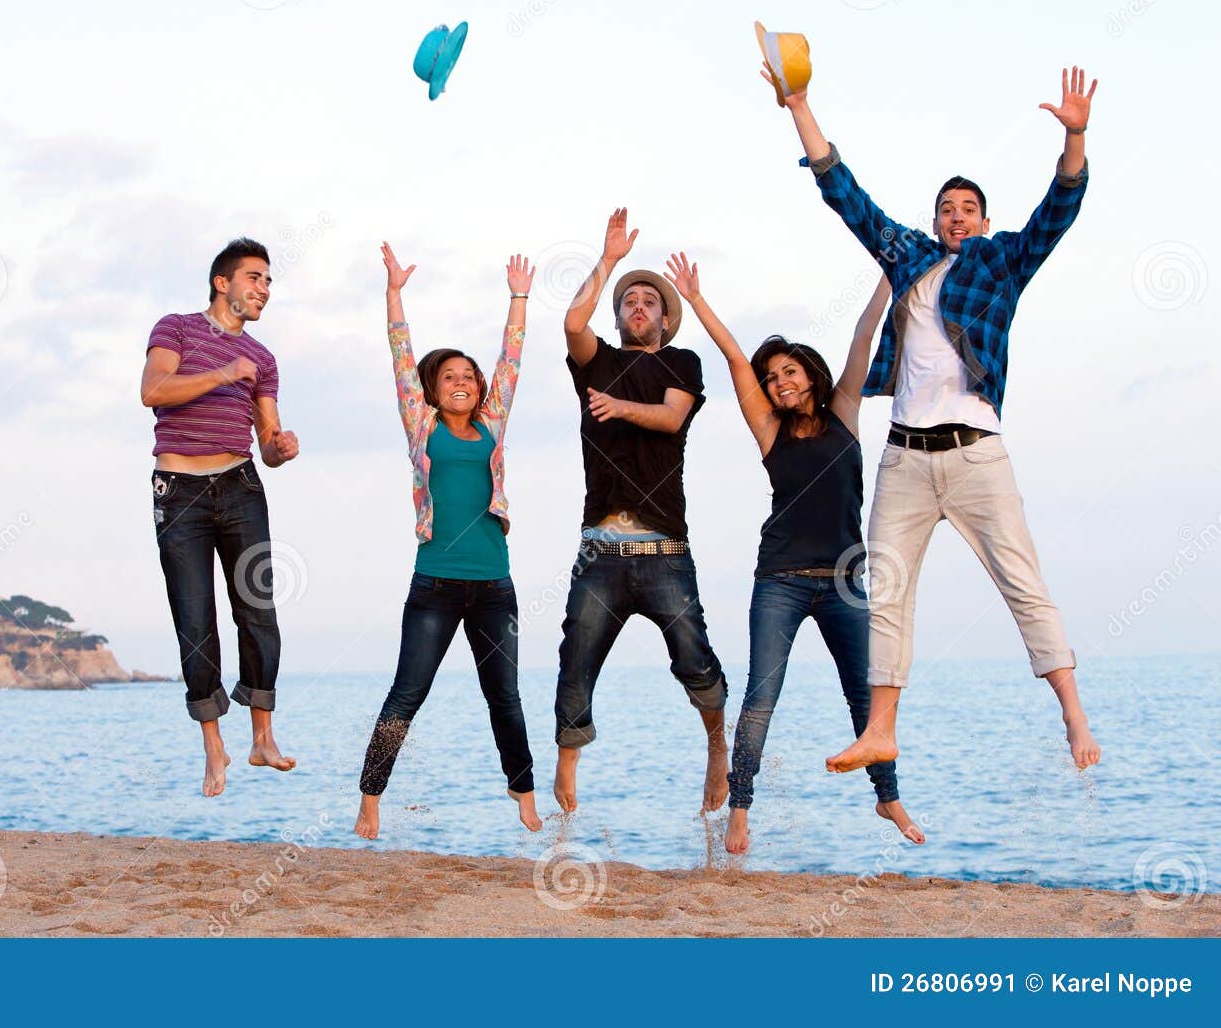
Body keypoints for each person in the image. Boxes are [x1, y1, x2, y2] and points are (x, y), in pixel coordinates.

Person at [767, 57, 1103, 773]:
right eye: (946, 208)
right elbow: (843, 193)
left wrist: (1073, 140)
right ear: (934, 221)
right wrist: (798, 103)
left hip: (977, 452)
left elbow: (1060, 209)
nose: (956, 217)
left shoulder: (1001, 262)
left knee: (1022, 580)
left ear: (984, 221)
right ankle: (882, 729)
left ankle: (1075, 717)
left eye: (968, 209)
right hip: (905, 460)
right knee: (882, 584)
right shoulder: (907, 258)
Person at [675, 257, 924, 852]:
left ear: (810, 376)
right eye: (773, 377)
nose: (781, 382)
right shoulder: (771, 432)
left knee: (866, 694)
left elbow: (865, 336)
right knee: (762, 693)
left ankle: (887, 799)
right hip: (781, 579)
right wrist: (697, 298)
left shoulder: (843, 412)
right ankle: (740, 809)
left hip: (843, 580)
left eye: (790, 372)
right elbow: (736, 360)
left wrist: (888, 276)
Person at [355, 244, 542, 839]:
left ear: (480, 386)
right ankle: (370, 797)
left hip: (494, 584)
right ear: (432, 389)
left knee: (504, 698)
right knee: (408, 692)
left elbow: (512, 357)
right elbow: (399, 354)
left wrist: (518, 298)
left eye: (469, 376)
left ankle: (524, 791)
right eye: (449, 377)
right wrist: (394, 294)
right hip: (434, 584)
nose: (460, 382)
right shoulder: (421, 423)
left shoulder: (494, 423)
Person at [553, 208, 729, 814]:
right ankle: (567, 767)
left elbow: (671, 417)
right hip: (601, 546)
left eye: (650, 301)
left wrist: (620, 409)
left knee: (694, 656)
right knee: (575, 656)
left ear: (664, 318)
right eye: (630, 299)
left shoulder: (682, 364)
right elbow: (572, 321)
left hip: (664, 549)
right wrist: (608, 262)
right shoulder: (597, 362)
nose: (638, 306)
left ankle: (717, 750)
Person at [139, 238, 300, 797]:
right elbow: (152, 389)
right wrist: (223, 370)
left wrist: (281, 446)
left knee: (258, 607)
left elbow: (268, 441)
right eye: (255, 277)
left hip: (240, 485)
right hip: (177, 489)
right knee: (194, 617)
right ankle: (214, 746)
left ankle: (262, 735)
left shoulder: (264, 360)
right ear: (222, 283)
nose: (264, 289)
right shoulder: (176, 328)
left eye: (269, 281)